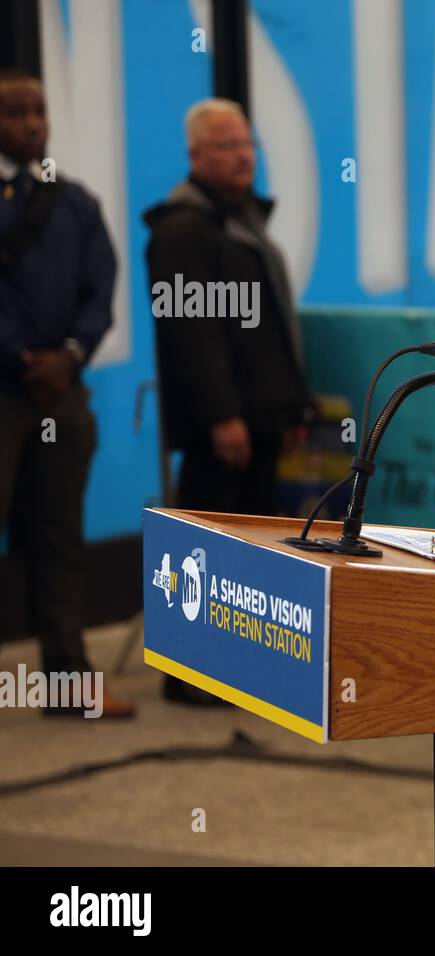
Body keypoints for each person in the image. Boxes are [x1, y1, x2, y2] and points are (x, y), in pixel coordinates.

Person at [143, 98, 311, 705]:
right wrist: (223, 416)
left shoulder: (242, 221)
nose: (242, 156)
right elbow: (193, 336)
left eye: (247, 144)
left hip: (260, 415)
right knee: (200, 550)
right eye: (225, 146)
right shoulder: (183, 231)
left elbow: (269, 328)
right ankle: (187, 675)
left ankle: (234, 667)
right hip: (225, 423)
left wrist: (289, 408)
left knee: (250, 555)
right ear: (194, 156)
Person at [0, 69, 134, 718]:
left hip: (64, 394)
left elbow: (99, 288)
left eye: (39, 111)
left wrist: (70, 355)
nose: (31, 123)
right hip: (6, 390)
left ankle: (67, 679)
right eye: (15, 112)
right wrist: (23, 356)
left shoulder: (74, 202)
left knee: (60, 538)